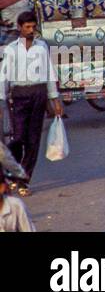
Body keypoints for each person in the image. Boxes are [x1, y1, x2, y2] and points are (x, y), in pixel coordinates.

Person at [1, 11, 63, 192]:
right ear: (20, 27)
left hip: (38, 94)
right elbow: (4, 76)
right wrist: (1, 101)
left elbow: (49, 73)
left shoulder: (41, 47)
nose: (30, 30)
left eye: (33, 27)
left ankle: (23, 180)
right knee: (18, 137)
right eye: (27, 27)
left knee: (33, 139)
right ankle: (13, 170)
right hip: (19, 95)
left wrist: (54, 99)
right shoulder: (11, 49)